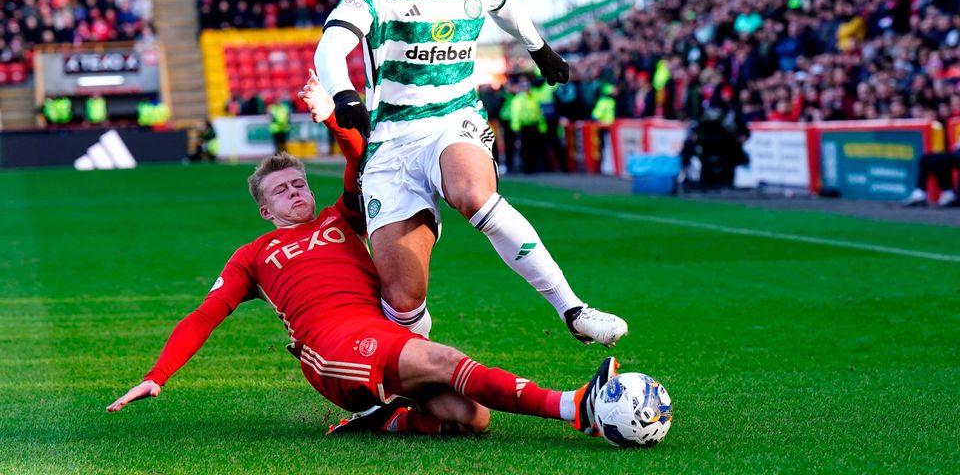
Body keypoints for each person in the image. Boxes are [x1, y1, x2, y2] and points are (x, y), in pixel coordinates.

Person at [106, 84, 619, 440]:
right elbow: (204, 316)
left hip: (378, 330)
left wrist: (331, 117)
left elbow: (360, 161)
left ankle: (387, 418)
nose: (296, 192)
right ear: (265, 210)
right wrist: (159, 374)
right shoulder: (253, 256)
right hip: (330, 348)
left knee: (470, 418)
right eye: (282, 191)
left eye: (299, 184)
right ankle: (575, 407)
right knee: (445, 360)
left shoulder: (340, 217)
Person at [313, 0, 626, 346]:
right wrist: (344, 94)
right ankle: (416, 372)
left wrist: (539, 48)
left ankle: (573, 308)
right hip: (393, 139)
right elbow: (331, 45)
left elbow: (506, 6)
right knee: (403, 299)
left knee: (473, 194)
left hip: (454, 118)